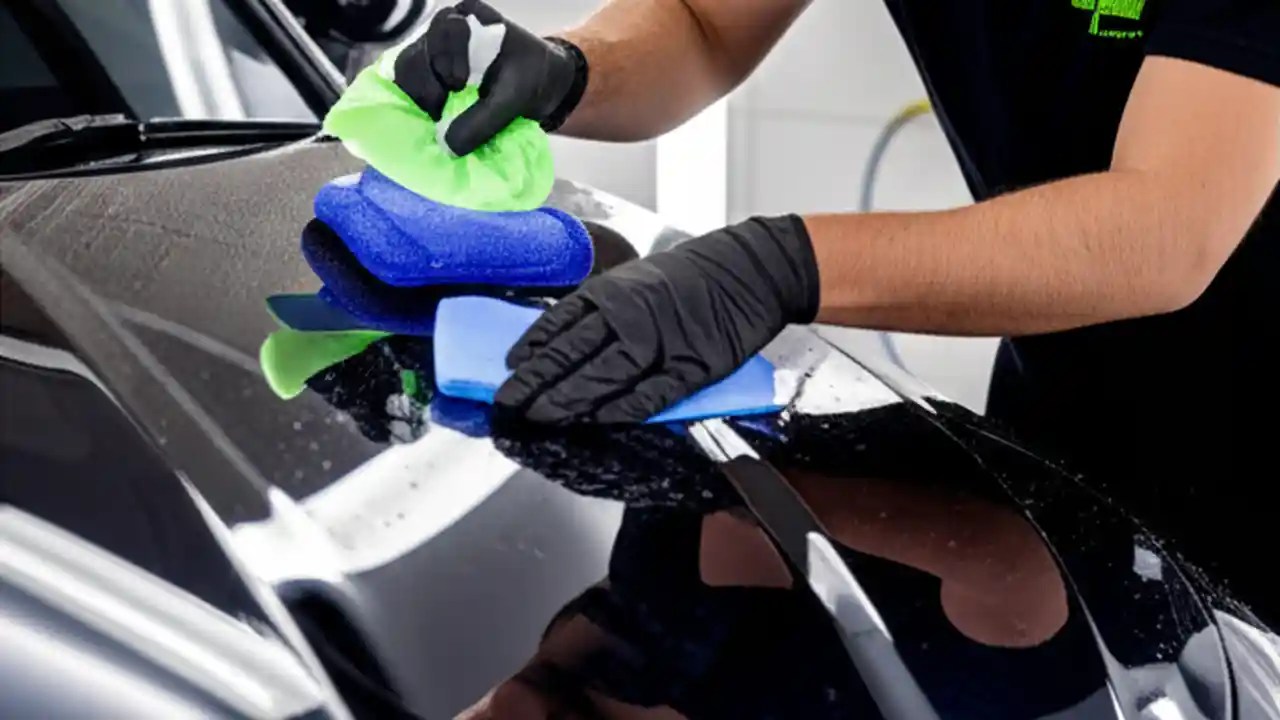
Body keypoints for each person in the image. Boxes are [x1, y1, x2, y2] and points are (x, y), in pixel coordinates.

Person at [395, 1, 1279, 613]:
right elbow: (704, 26)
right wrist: (568, 71)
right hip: (1061, 423)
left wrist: (777, 266)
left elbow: (1164, 228)